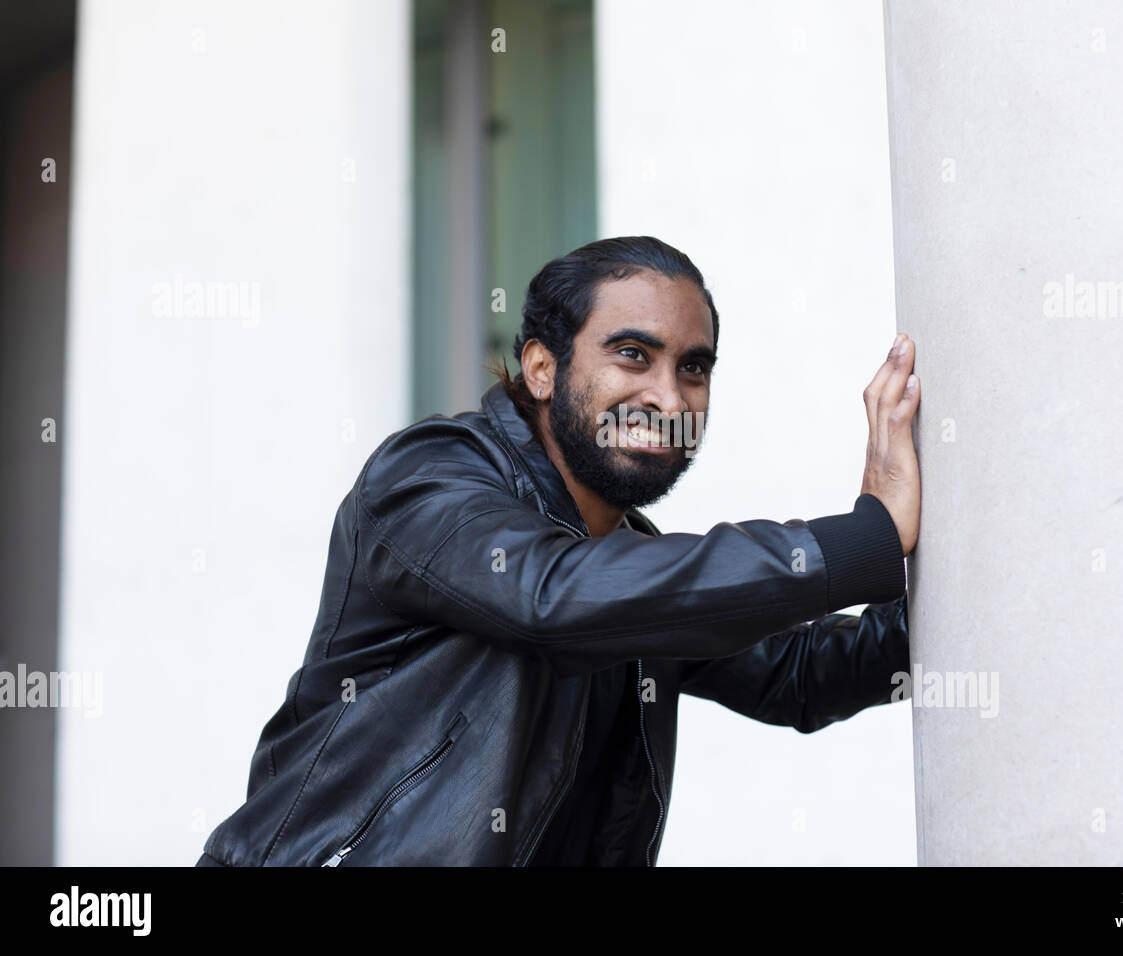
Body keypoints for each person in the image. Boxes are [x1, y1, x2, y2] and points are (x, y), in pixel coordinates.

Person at [196, 235, 921, 867]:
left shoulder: (628, 564)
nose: (669, 400)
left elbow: (800, 674)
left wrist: (961, 565)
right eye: (633, 355)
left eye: (693, 368)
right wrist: (864, 537)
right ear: (542, 369)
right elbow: (551, 596)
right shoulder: (427, 476)